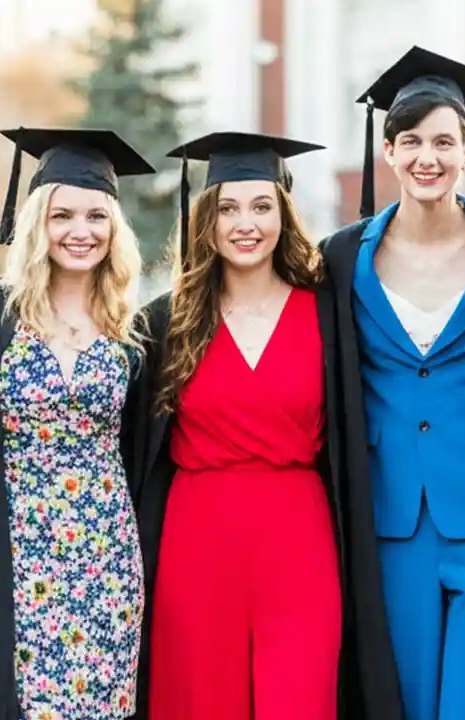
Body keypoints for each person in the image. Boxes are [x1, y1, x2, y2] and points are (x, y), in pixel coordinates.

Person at [319, 45, 465, 719]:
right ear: (389, 152)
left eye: (443, 141)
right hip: (392, 516)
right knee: (400, 700)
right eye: (411, 142)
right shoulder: (345, 257)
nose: (426, 158)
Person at [131, 132, 342, 720]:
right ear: (207, 220)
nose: (244, 223)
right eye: (227, 208)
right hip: (198, 543)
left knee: (298, 698)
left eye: (261, 206)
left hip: (299, 539)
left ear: (283, 214)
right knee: (202, 700)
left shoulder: (327, 312)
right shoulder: (167, 322)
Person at [0, 128, 153, 720]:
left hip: (105, 558)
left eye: (96, 216)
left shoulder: (129, 331)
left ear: (115, 227)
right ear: (39, 223)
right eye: (62, 215)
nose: (80, 231)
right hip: (17, 552)